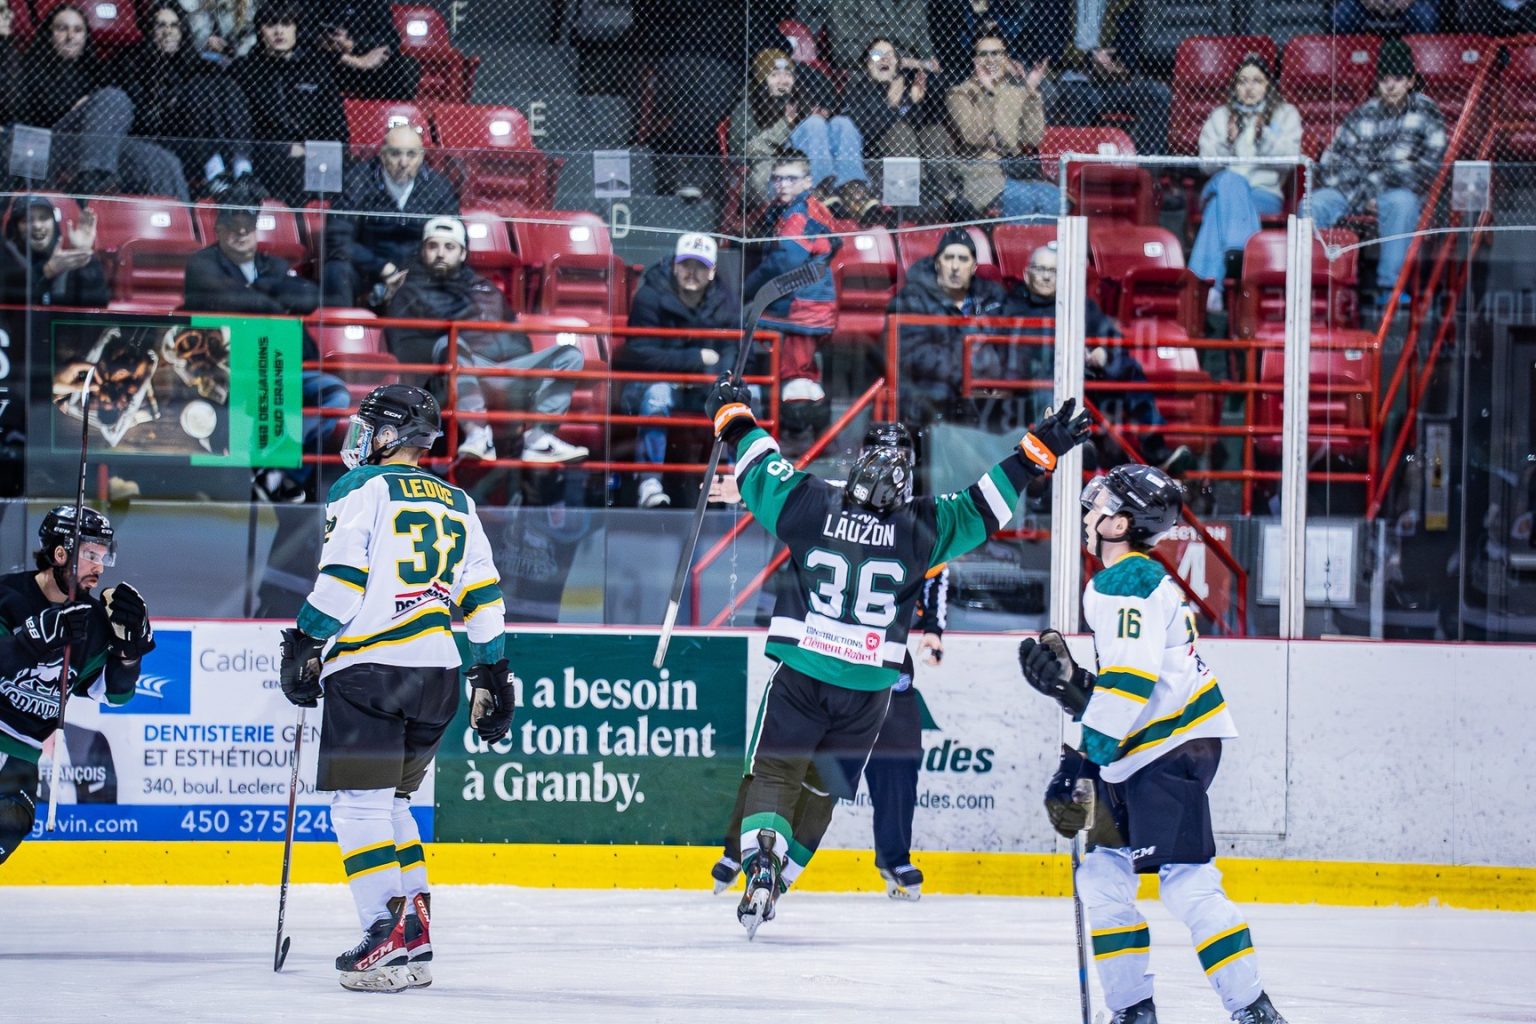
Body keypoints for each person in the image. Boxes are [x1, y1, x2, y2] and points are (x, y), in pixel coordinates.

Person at [702, 371, 1091, 935]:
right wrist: (1036, 453)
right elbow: (985, 504)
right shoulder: (922, 526)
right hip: (867, 691)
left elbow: (759, 466)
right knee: (822, 788)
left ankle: (762, 859)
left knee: (775, 772)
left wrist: (733, 414)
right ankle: (780, 879)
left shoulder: (811, 502)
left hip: (802, 673)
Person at [1018, 463, 1286, 1024]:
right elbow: (1130, 679)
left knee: (1187, 882)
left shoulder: (1125, 581)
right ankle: (1133, 1010)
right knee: (1101, 878)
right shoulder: (1133, 577)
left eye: (1097, 507)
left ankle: (1254, 1009)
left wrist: (1082, 761)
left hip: (1167, 748)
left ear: (1119, 525)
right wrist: (1076, 694)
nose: (1087, 515)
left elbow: (1131, 683)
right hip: (1145, 749)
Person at [278, 383, 514, 992]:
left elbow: (343, 580)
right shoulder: (459, 500)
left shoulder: (362, 487)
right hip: (438, 676)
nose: (359, 437)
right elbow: (483, 598)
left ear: (387, 435)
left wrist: (306, 640)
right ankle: (415, 936)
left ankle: (383, 934)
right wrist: (490, 672)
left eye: (367, 427)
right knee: (395, 805)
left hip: (372, 671)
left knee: (359, 807)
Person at [704, 423, 948, 902]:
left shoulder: (911, 512)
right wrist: (744, 491)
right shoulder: (901, 512)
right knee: (779, 766)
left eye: (900, 452)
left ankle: (894, 857)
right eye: (882, 450)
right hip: (855, 662)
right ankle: (739, 850)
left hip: (871, 665)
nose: (891, 460)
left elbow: (784, 492)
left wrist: (935, 627)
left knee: (891, 765)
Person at [0, 506, 156, 866]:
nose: (99, 567)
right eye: (90, 555)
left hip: (21, 760)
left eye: (104, 557)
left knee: (10, 821)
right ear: (60, 553)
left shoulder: (94, 622)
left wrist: (128, 656)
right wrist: (29, 641)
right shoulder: (7, 597)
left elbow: (116, 694)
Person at [183, 188, 349, 500]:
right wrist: (273, 300)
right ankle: (271, 476)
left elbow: (308, 297)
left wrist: (254, 290)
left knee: (334, 393)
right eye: (232, 227)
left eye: (247, 226)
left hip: (285, 367)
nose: (241, 233)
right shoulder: (202, 263)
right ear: (219, 229)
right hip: (235, 371)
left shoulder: (272, 265)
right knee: (262, 401)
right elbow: (228, 300)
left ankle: (280, 473)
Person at [385, 217, 589, 464]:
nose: (440, 253)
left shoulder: (485, 288)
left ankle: (539, 439)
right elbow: (406, 349)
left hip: (505, 372)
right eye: (433, 246)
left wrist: (496, 350)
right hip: (455, 377)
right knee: (450, 345)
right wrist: (466, 341)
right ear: (423, 251)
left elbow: (519, 339)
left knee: (569, 355)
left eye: (449, 247)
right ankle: (478, 435)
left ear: (463, 253)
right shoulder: (407, 292)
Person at [1003, 243, 1189, 476]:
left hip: (1086, 380)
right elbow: (1014, 351)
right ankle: (1069, 444)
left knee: (1127, 367)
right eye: (1040, 269)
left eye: (1053, 271)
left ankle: (1155, 448)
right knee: (1048, 377)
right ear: (1026, 274)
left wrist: (1103, 353)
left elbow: (1114, 341)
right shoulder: (1012, 306)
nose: (1046, 277)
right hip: (1035, 383)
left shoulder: (1079, 306)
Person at [1312, 38, 1446, 313]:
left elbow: (1428, 167)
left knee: (1402, 203)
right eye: (1384, 79)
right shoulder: (1363, 113)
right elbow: (1332, 161)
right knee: (1314, 203)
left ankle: (1390, 288)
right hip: (1355, 193)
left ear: (1410, 81)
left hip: (1396, 193)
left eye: (1398, 79)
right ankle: (1316, 280)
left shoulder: (1426, 111)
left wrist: (1374, 184)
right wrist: (1368, 192)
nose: (1391, 86)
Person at [17, 4, 190, 199]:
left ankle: (186, 219)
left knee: (165, 162)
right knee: (112, 98)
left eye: (78, 30)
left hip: (95, 147)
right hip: (46, 146)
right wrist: (77, 112)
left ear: (86, 36)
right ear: (49, 34)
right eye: (62, 29)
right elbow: (18, 123)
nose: (70, 36)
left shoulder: (97, 70)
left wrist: (91, 108)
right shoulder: (27, 69)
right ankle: (91, 184)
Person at [618, 232, 740, 508]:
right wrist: (696, 358)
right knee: (657, 395)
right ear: (675, 266)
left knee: (739, 397)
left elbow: (732, 351)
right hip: (652, 383)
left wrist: (719, 377)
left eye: (700, 266)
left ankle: (735, 481)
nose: (692, 273)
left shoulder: (726, 300)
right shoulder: (650, 295)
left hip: (704, 386)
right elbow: (641, 354)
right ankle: (650, 483)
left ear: (712, 271)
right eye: (686, 265)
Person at [107, 1, 256, 196]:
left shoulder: (193, 63)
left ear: (182, 30)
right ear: (151, 30)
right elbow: (142, 115)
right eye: (161, 25)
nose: (168, 32)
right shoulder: (133, 63)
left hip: (198, 135)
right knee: (197, 88)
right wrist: (174, 102)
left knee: (226, 84)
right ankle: (214, 172)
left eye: (174, 26)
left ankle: (242, 169)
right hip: (163, 136)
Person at [1190, 55, 1303, 312]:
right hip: (1224, 186)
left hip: (1263, 194)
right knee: (1231, 180)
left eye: (1256, 81)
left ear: (1268, 85)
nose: (1249, 88)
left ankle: (1207, 289)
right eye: (1242, 82)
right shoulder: (1221, 116)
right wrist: (1227, 143)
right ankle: (1240, 249)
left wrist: (1266, 137)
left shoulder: (1286, 114)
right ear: (1234, 86)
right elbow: (1205, 165)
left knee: (1217, 209)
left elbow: (1289, 161)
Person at [745, 148, 840, 433]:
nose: (782, 184)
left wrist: (746, 289)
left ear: (807, 181)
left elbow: (784, 262)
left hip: (802, 309)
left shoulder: (800, 214)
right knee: (795, 372)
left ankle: (794, 436)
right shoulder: (802, 208)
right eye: (777, 178)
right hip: (804, 305)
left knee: (794, 376)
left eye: (791, 178)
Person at [321, 124, 461, 308]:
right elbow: (338, 238)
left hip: (420, 273)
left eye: (411, 154)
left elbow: (456, 237)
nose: (403, 163)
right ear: (382, 155)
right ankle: (339, 326)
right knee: (336, 270)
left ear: (422, 156)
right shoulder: (357, 181)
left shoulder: (438, 186)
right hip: (368, 270)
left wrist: (414, 274)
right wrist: (382, 268)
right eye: (395, 154)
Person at [890, 227, 1008, 431]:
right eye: (948, 258)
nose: (955, 266)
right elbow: (912, 355)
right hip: (931, 391)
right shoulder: (912, 298)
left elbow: (1007, 347)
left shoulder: (993, 297)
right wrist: (965, 372)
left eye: (963, 259)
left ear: (974, 267)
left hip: (983, 389)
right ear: (937, 263)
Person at [233, 3, 350, 207]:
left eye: (286, 24)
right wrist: (285, 149)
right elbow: (243, 128)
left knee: (350, 174)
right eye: (271, 25)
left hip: (315, 157)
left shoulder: (316, 69)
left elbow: (338, 130)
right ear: (260, 31)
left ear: (296, 28)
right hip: (267, 158)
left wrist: (310, 150)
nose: (279, 31)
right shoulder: (245, 71)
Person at [1029, 0, 1171, 157]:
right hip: (1070, 80)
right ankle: (1076, 164)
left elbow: (1130, 51)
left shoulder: (1124, 4)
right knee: (1081, 98)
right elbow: (1049, 46)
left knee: (1158, 94)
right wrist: (1089, 59)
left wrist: (1115, 65)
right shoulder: (1054, 4)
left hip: (1111, 83)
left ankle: (1140, 162)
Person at [945, 27, 1060, 219]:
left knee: (1056, 199)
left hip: (1015, 173)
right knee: (1021, 198)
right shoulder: (960, 94)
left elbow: (1032, 138)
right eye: (983, 54)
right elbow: (973, 137)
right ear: (974, 60)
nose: (990, 60)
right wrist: (988, 94)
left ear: (1006, 58)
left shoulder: (1015, 92)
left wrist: (1031, 93)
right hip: (981, 176)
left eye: (996, 53)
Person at [734, 50, 865, 206]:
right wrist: (786, 124)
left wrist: (820, 124)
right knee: (814, 124)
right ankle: (821, 191)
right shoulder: (747, 108)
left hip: (805, 165)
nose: (783, 81)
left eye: (788, 74)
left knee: (841, 123)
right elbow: (745, 151)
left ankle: (853, 189)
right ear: (761, 79)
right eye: (775, 75)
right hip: (776, 173)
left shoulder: (799, 100)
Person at [0, 195, 109, 308]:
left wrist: (83, 253)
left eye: (44, 218)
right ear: (16, 227)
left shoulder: (66, 261)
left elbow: (98, 306)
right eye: (27, 220)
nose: (37, 226)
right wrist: (48, 271)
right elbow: (13, 308)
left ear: (54, 223)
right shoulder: (7, 261)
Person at [309, 0, 420, 100]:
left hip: (366, 61)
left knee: (407, 67)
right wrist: (351, 59)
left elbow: (392, 39)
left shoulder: (372, 3)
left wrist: (352, 44)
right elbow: (306, 36)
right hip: (330, 62)